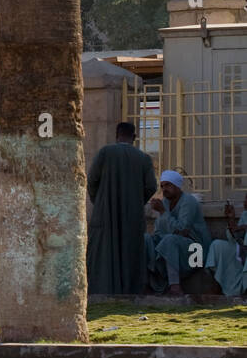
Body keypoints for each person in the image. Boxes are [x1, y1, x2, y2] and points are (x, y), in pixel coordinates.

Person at [85, 122, 157, 295]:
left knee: (103, 252)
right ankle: (129, 292)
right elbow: (151, 187)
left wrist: (100, 202)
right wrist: (136, 201)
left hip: (104, 214)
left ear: (117, 135)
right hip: (131, 216)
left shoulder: (104, 153)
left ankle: (101, 291)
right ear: (134, 137)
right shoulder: (143, 158)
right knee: (130, 251)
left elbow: (91, 180)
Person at [145, 170, 210, 296]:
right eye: (162, 186)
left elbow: (182, 231)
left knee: (170, 240)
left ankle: (175, 286)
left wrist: (163, 212)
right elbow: (159, 231)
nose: (164, 189)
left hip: (195, 252)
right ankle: (145, 284)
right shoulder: (165, 203)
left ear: (177, 186)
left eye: (168, 185)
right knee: (146, 239)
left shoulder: (189, 201)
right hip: (172, 246)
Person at [206, 195, 247, 297]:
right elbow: (235, 238)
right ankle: (217, 284)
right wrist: (231, 220)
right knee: (217, 245)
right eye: (246, 199)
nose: (245, 202)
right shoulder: (246, 214)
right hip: (243, 250)